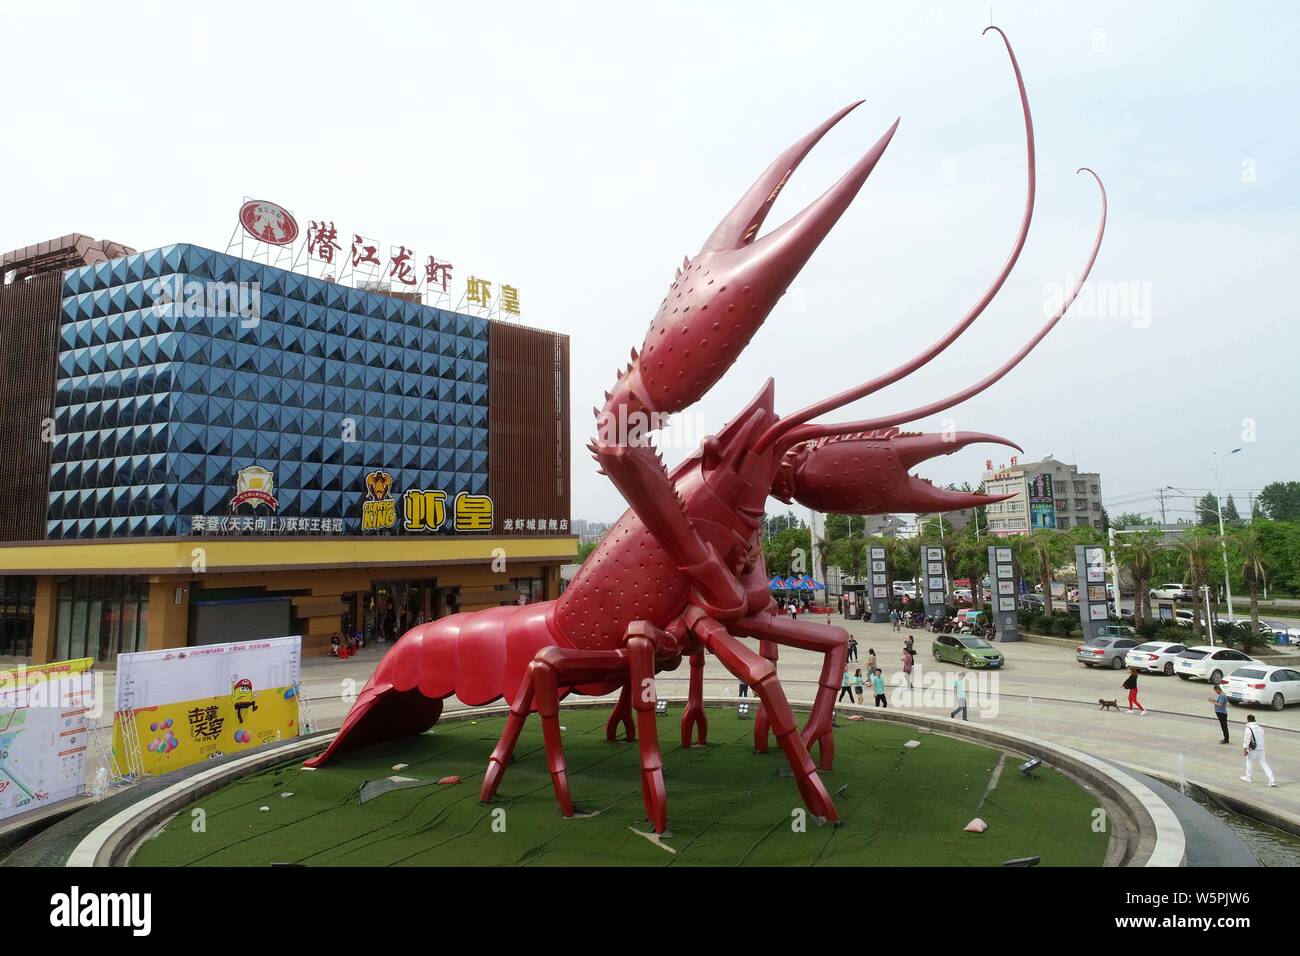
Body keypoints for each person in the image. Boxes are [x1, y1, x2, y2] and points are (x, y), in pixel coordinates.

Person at [1240, 715, 1277, 787]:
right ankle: (1272, 781)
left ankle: (1248, 777)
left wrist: (1245, 749)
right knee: (1264, 764)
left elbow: (1246, 739)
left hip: (1253, 750)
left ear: (1248, 720)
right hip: (1261, 750)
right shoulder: (1260, 728)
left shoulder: (1248, 728)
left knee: (1249, 762)